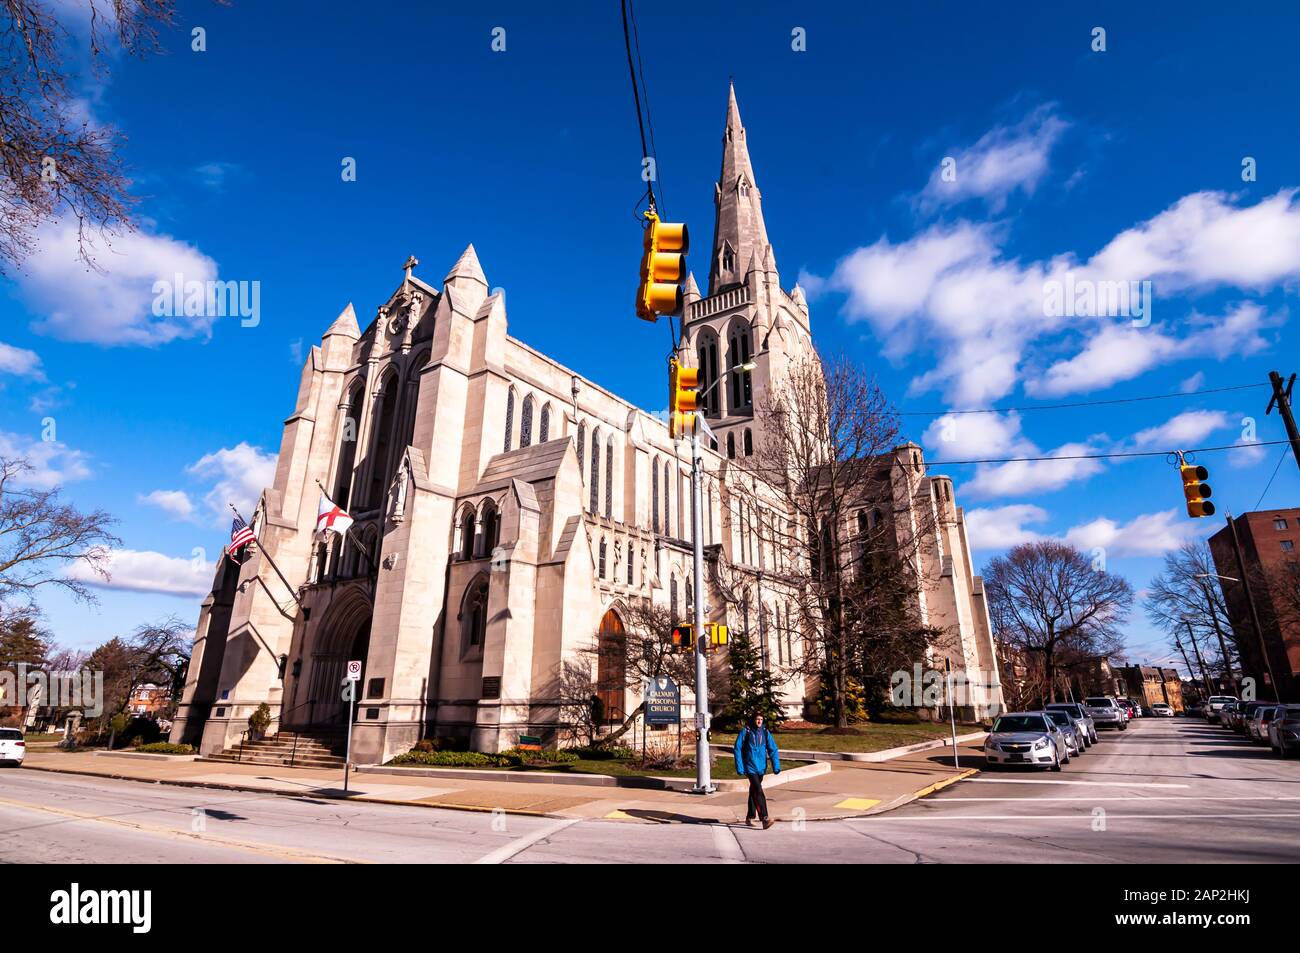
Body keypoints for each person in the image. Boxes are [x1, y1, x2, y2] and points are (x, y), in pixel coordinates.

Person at [733, 711, 780, 828]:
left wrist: (776, 766)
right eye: (757, 719)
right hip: (750, 767)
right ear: (753, 720)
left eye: (761, 719)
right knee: (758, 791)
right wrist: (740, 767)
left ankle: (749, 817)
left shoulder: (765, 732)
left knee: (754, 791)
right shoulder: (746, 731)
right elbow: (737, 748)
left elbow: (773, 749)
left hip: (761, 768)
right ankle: (765, 818)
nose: (759, 721)